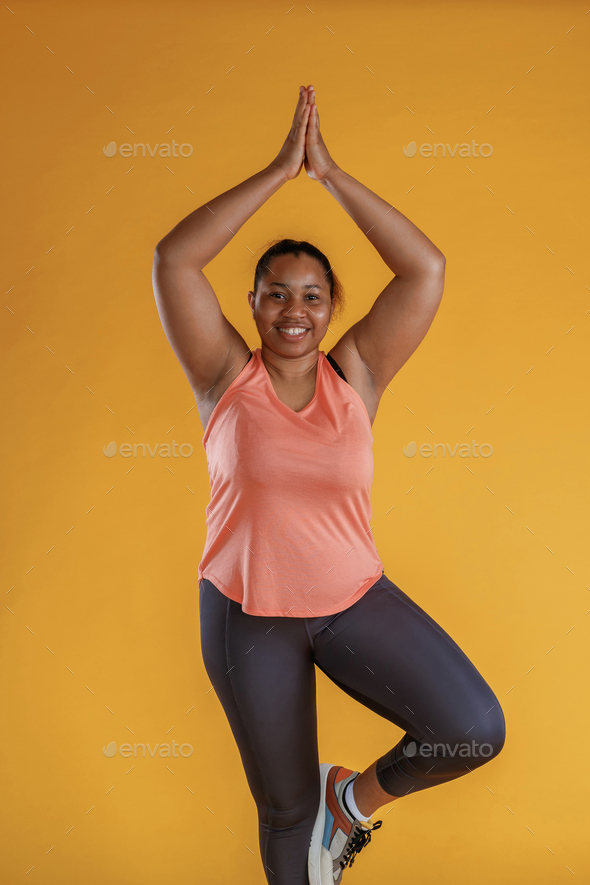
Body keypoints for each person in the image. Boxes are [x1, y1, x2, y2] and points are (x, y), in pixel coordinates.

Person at [152, 85, 506, 885]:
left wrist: (331, 174)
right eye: (275, 292)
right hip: (249, 618)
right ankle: (314, 821)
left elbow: (426, 266)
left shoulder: (360, 373)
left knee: (471, 727)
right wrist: (280, 172)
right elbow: (173, 258)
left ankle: (350, 803)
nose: (293, 309)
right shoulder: (222, 376)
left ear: (332, 306)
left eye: (311, 295)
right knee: (283, 813)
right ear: (251, 302)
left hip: (351, 601)